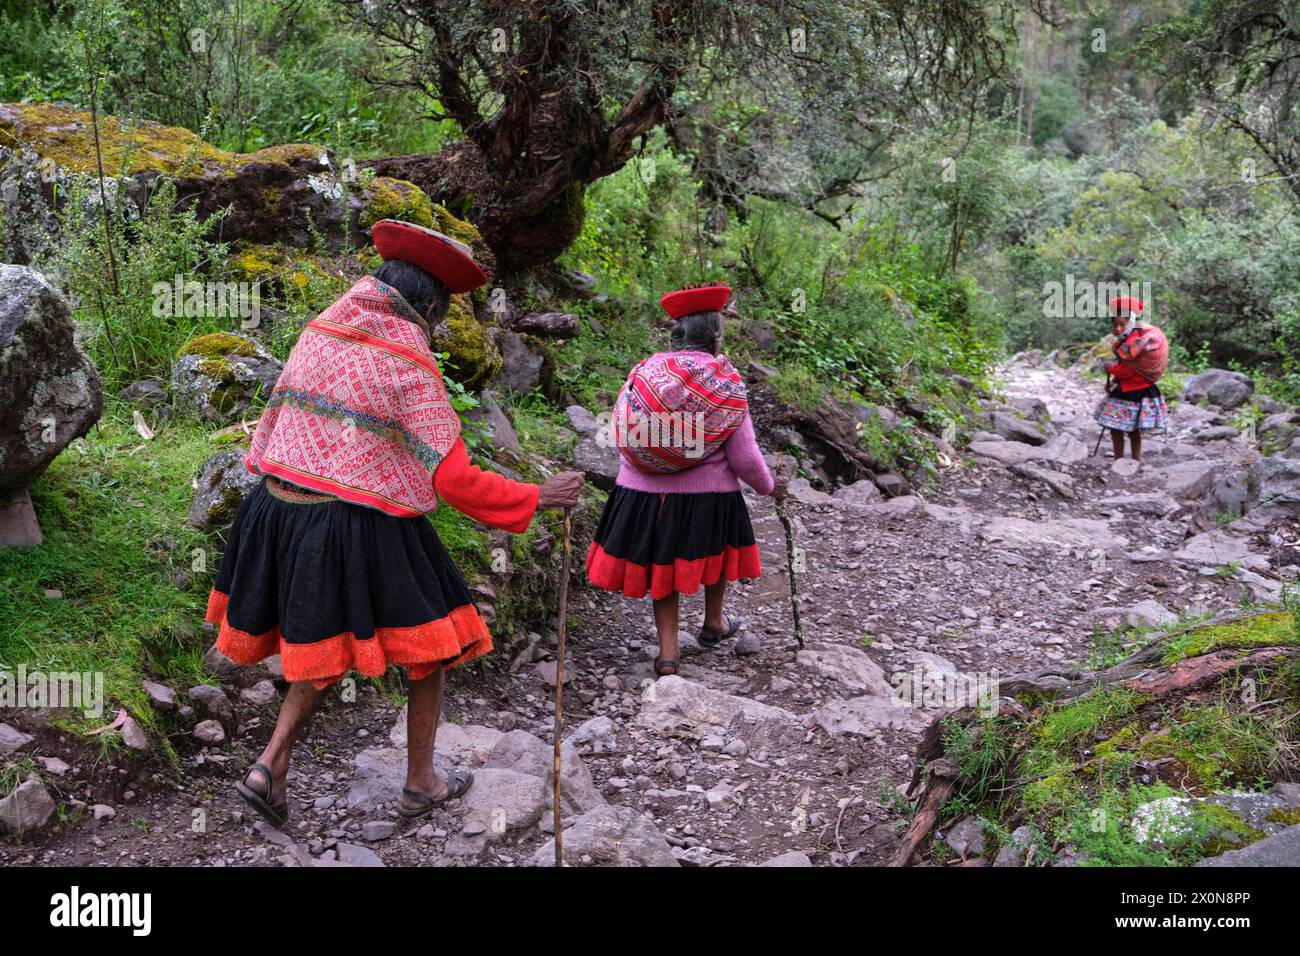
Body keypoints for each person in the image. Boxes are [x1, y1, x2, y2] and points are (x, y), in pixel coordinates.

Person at [205, 219, 583, 827]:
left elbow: (274, 423)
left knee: (323, 643)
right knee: (436, 642)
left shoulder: (321, 329)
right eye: (438, 319)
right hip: (351, 523)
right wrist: (538, 495)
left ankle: (270, 766)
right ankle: (421, 781)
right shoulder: (408, 362)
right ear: (429, 308)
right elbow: (454, 480)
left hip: (274, 507)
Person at [585, 282, 788, 676]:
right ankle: (714, 622)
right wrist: (768, 486)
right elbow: (745, 457)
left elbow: (623, 430)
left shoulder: (645, 371)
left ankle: (668, 654)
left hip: (642, 495)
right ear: (715, 336)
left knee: (664, 570)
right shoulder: (725, 381)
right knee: (713, 559)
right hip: (706, 499)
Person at [1095, 295, 1168, 461]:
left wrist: (1109, 368)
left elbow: (1127, 371)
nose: (1119, 328)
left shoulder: (1134, 341)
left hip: (1133, 391)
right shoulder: (1130, 339)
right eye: (1116, 325)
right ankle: (1133, 460)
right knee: (1132, 430)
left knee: (1118, 428)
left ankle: (1120, 460)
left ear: (1131, 322)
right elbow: (1125, 368)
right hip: (1129, 389)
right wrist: (1113, 382)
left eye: (1123, 324)